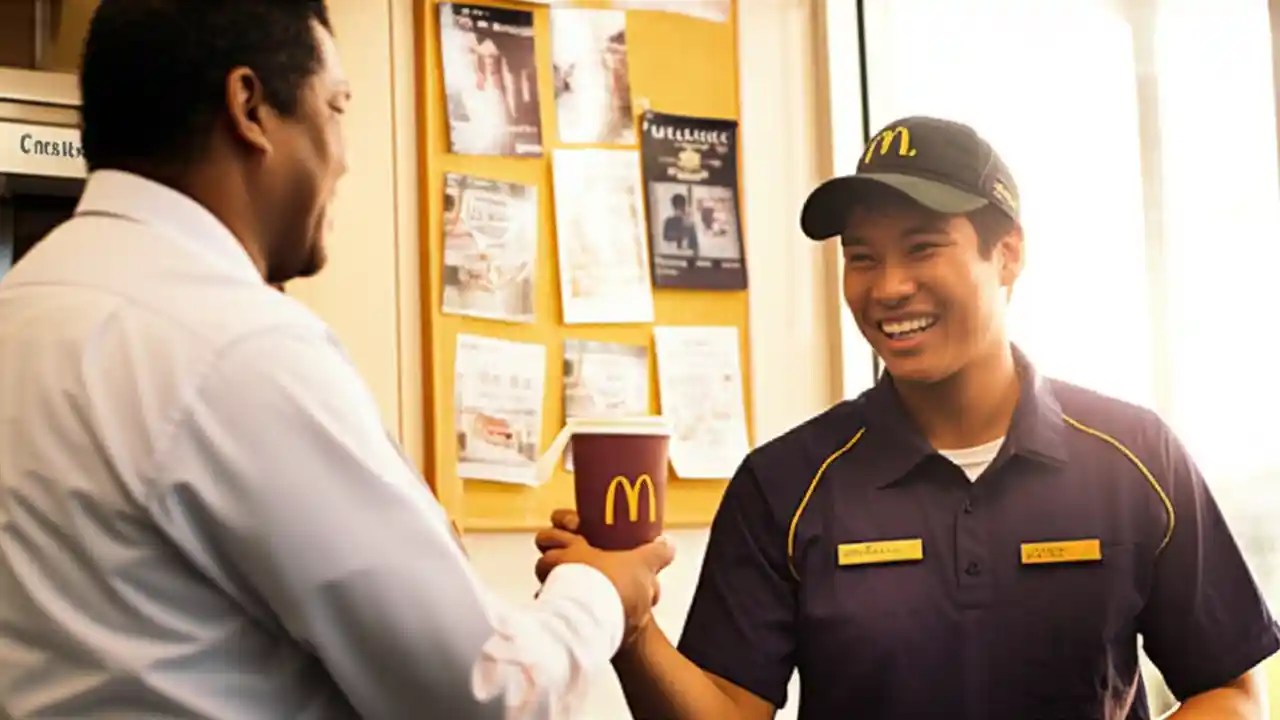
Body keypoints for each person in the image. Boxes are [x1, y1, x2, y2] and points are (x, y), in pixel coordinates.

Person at [0, 2, 672, 718]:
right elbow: (488, 696)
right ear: (250, 107)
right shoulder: (238, 345)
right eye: (337, 107)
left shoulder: (26, 307)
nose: (346, 156)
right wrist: (604, 590)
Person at [536, 116, 1280, 718]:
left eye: (923, 248)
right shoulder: (784, 483)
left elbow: (1230, 690)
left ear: (1008, 254)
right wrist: (628, 626)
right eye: (861, 258)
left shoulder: (1135, 456)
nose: (887, 287)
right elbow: (729, 710)